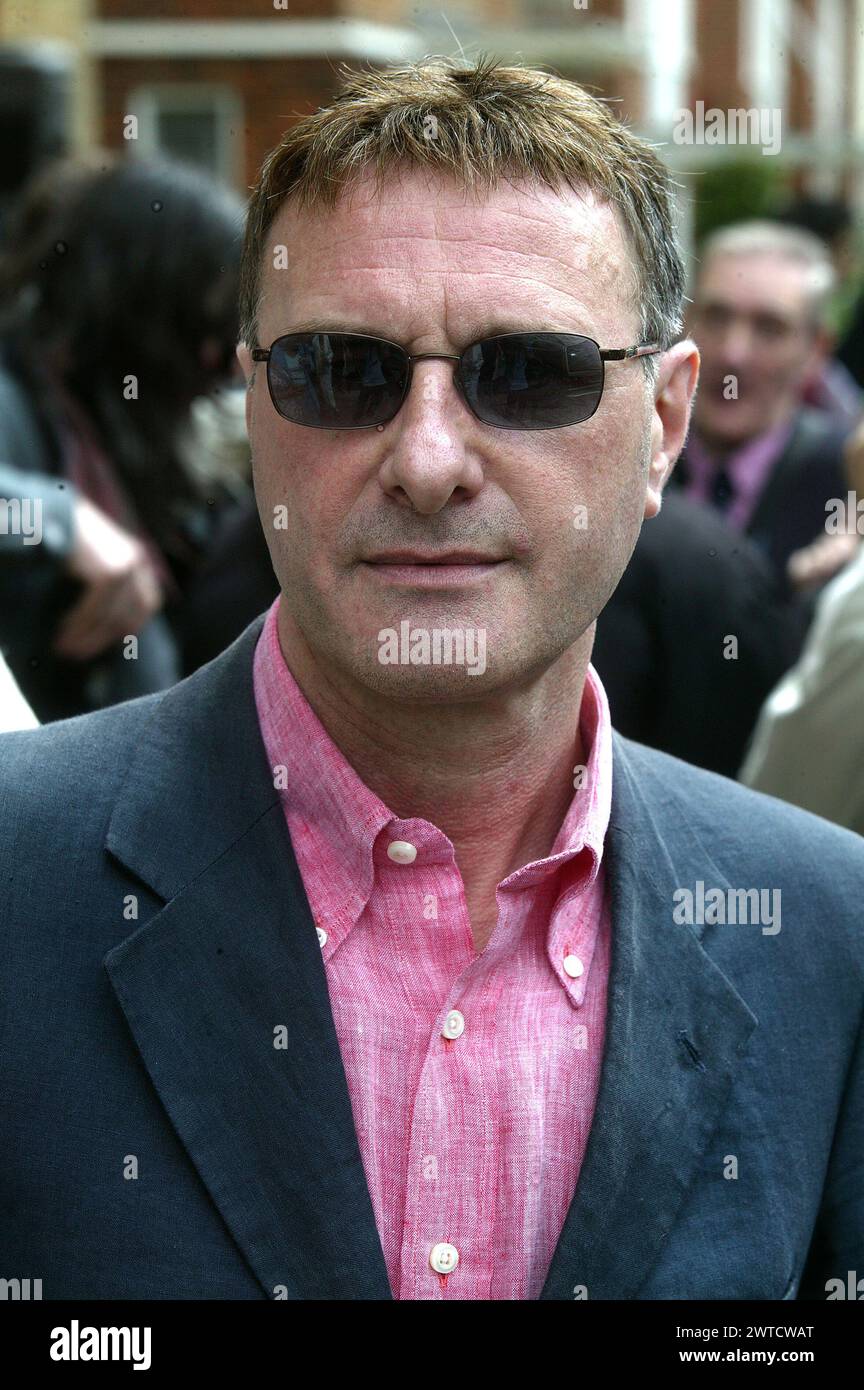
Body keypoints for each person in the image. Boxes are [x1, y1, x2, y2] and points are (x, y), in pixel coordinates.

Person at [1, 56, 862, 1303]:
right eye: (342, 371)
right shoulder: (21, 872)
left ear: (664, 424)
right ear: (253, 400)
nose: (427, 458)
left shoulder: (823, 934)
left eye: (529, 373)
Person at [0, 153, 245, 721]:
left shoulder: (125, 430)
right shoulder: (17, 400)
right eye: (203, 319)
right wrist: (62, 523)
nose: (221, 358)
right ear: (134, 303)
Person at [676, 221, 852, 588]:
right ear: (682, 324)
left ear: (815, 350)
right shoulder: (632, 463)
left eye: (770, 328)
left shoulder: (845, 484)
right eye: (716, 317)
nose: (732, 354)